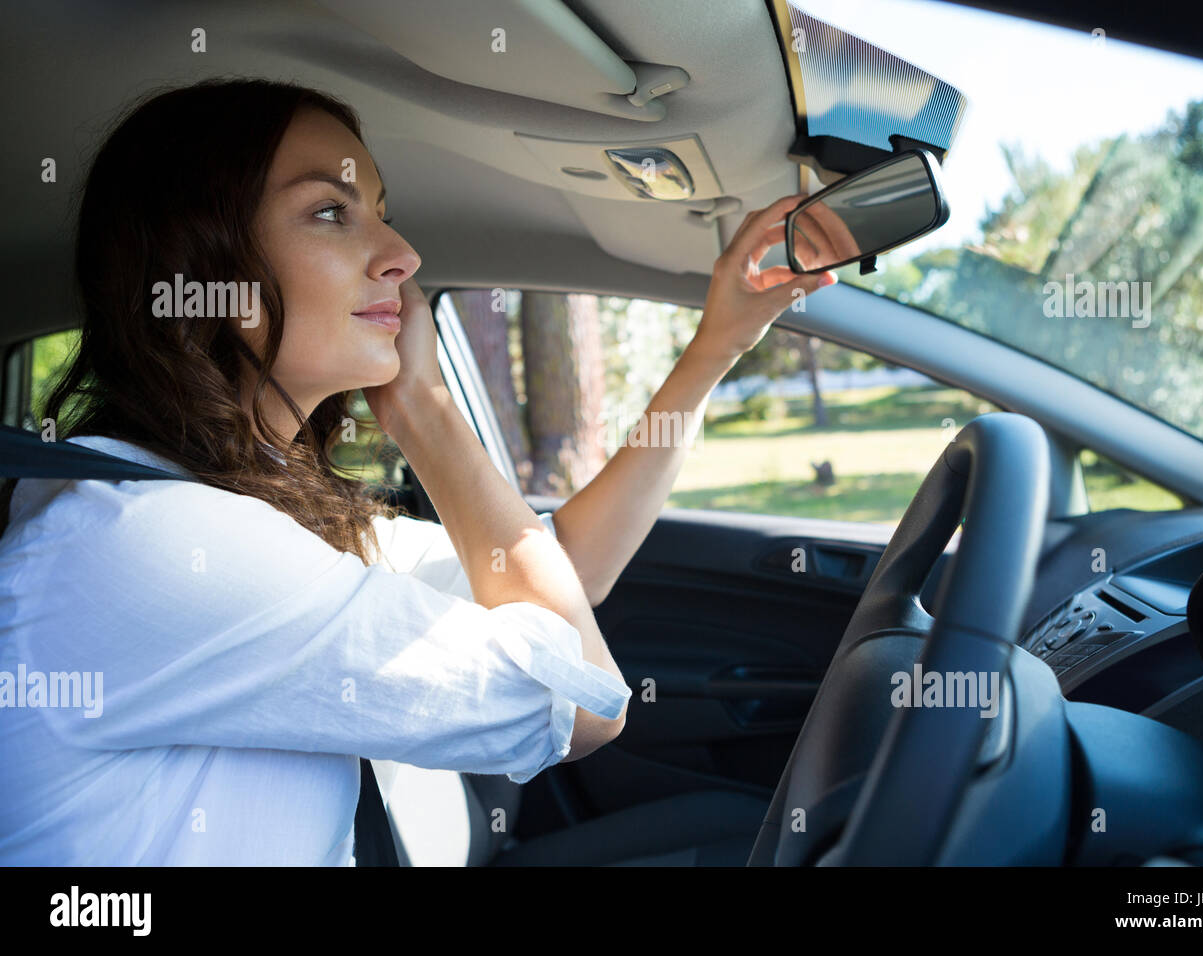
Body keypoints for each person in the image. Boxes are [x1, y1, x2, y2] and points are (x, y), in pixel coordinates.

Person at [0, 78, 836, 865]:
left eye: (381, 213)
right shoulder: (155, 540)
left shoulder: (253, 506)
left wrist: (717, 344)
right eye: (331, 212)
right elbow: (580, 701)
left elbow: (560, 576)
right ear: (202, 274)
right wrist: (426, 411)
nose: (401, 253)